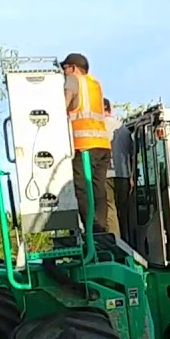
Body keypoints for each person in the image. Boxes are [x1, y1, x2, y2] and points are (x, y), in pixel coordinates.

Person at [60, 52, 113, 233]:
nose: (63, 72)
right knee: (99, 189)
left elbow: (63, 105)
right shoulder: (95, 83)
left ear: (73, 68)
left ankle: (91, 229)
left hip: (84, 145)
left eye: (64, 68)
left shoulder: (74, 80)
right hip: (102, 145)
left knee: (82, 188)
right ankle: (101, 227)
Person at [104, 98, 133, 241]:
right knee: (124, 211)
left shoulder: (99, 127)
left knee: (110, 210)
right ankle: (128, 241)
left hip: (105, 175)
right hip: (124, 175)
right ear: (111, 109)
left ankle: (117, 243)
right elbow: (132, 153)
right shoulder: (123, 128)